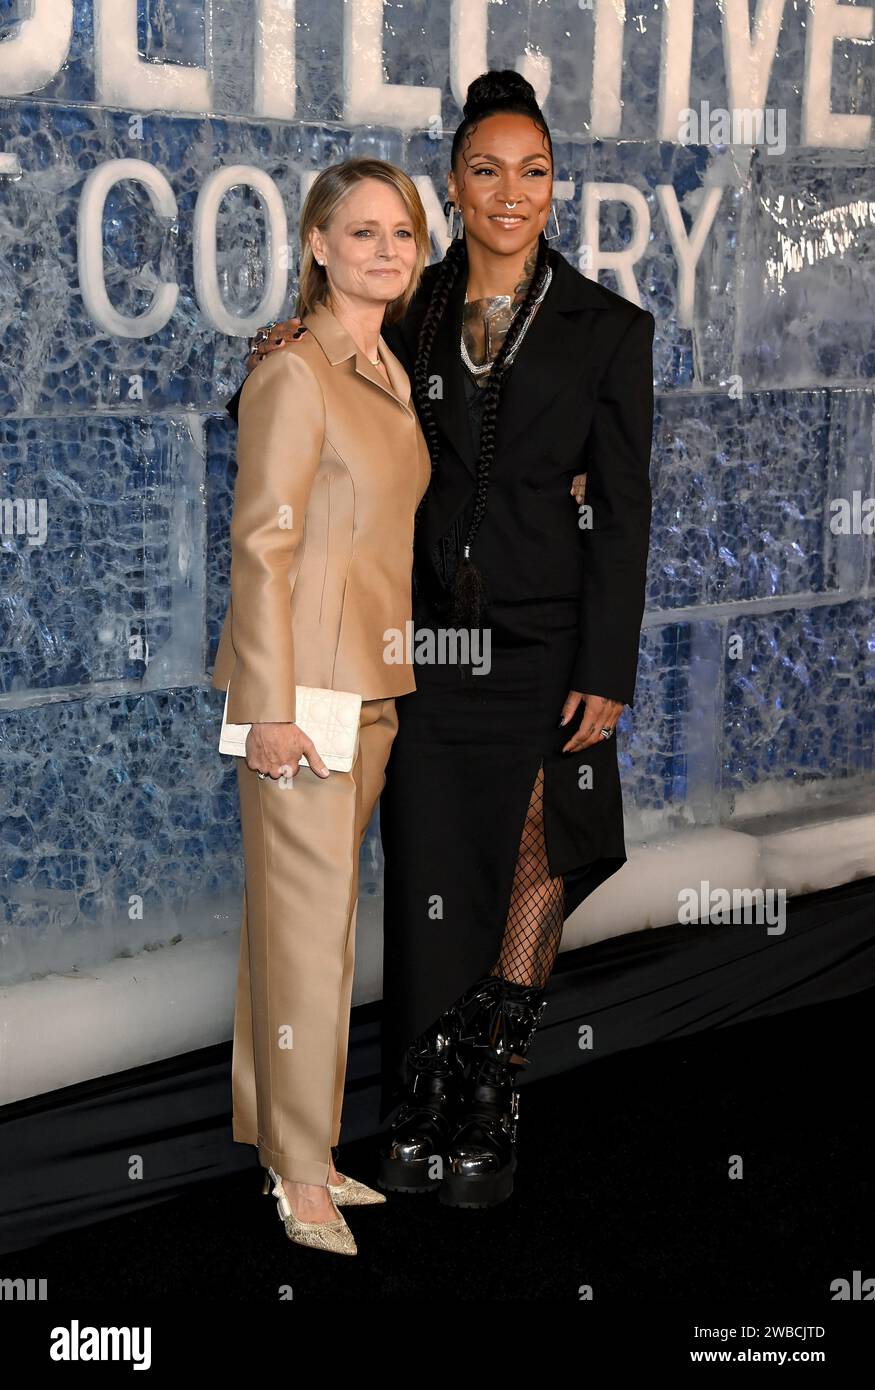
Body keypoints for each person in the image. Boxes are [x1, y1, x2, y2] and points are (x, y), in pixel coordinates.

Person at [229, 69, 655, 1210]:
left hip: (550, 643)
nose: (510, 192)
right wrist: (285, 335)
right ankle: (414, 1103)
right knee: (427, 868)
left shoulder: (609, 330)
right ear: (453, 186)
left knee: (533, 856)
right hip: (420, 647)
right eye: (483, 170)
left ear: (553, 187)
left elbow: (622, 509)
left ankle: (487, 1097)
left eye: (534, 171)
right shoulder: (403, 302)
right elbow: (311, 392)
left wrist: (605, 669)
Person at [213, 158, 431, 1253]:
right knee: (308, 942)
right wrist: (268, 707)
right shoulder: (297, 371)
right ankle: (299, 1173)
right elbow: (260, 545)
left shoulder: (381, 365)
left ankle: (290, 1144)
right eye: (361, 232)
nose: (384, 249)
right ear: (315, 244)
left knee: (305, 934)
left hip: (368, 687)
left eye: (399, 232)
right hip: (305, 696)